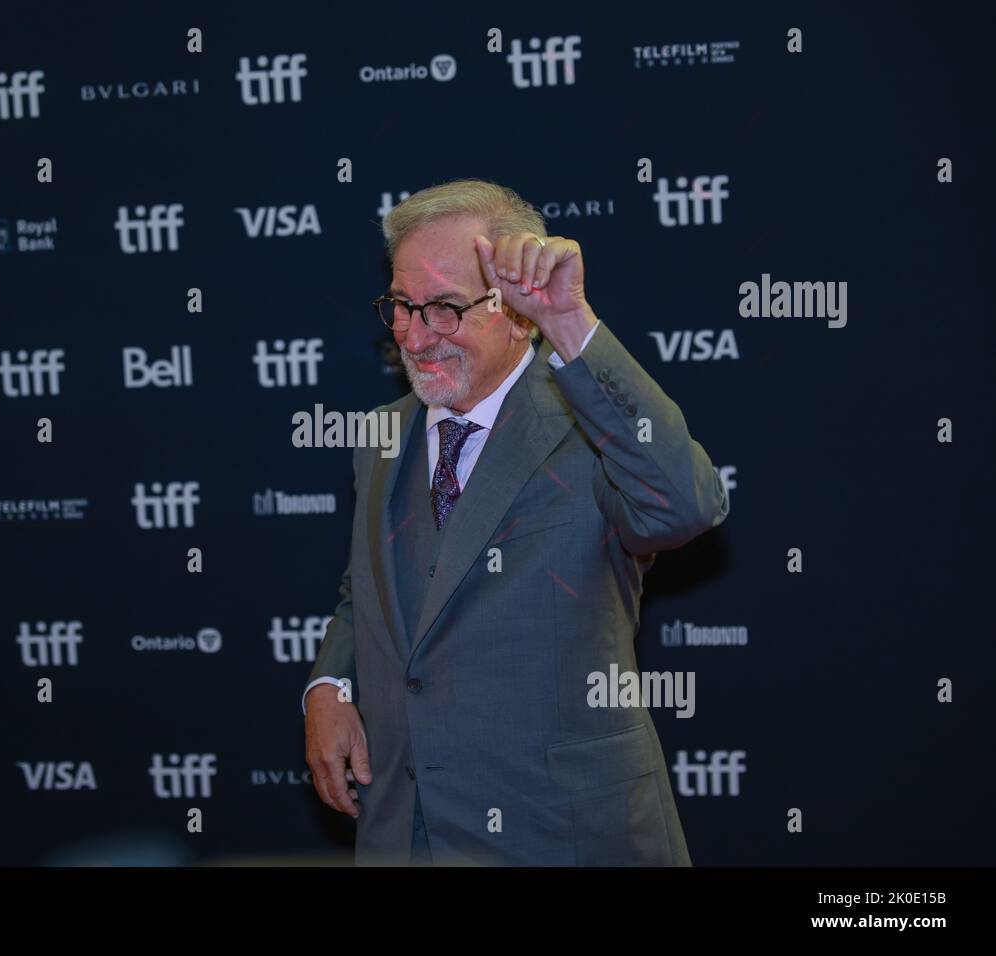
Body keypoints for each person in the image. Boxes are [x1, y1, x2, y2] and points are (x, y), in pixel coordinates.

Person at [302, 178, 729, 865]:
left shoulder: (592, 430)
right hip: (404, 834)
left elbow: (684, 505)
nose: (414, 335)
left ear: (517, 310)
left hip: (562, 835)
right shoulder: (382, 437)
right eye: (401, 306)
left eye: (443, 307)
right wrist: (329, 685)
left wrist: (570, 321)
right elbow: (369, 592)